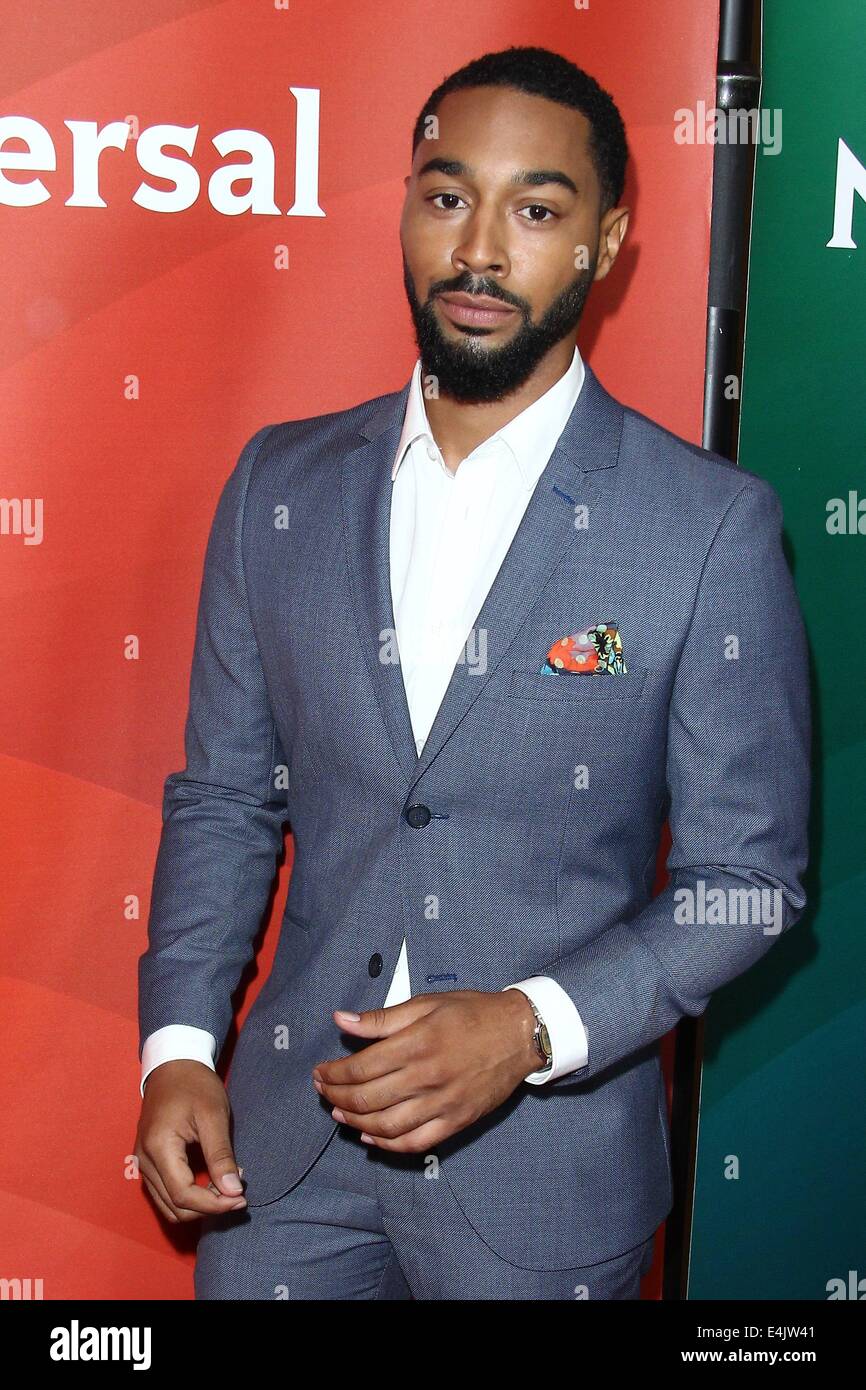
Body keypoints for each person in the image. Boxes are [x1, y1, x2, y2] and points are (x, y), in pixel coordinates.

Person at [134, 45, 810, 1300]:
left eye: (536, 210)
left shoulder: (705, 526)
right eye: (448, 196)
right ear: (403, 206)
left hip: (545, 1181)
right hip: (282, 1158)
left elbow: (746, 880)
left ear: (604, 244)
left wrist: (527, 1026)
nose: (481, 250)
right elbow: (226, 796)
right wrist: (178, 1047)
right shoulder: (277, 487)